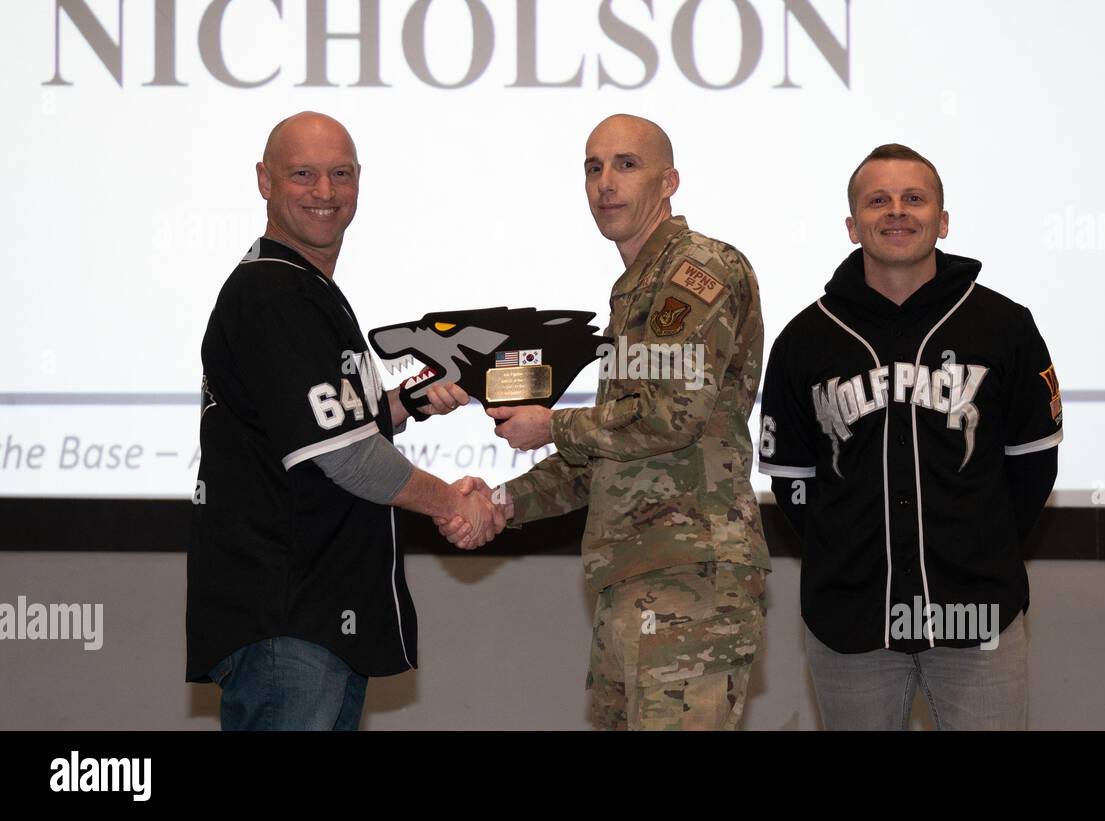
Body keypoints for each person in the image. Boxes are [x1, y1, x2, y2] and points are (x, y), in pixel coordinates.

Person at [442, 114, 769, 730]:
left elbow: (671, 417)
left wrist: (552, 426)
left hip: (690, 577)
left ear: (669, 180)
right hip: (633, 578)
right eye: (593, 168)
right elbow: (606, 455)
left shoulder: (694, 271)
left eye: (626, 164)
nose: (605, 183)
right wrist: (502, 500)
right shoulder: (633, 289)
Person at [187, 111, 504, 731]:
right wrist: (448, 501)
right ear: (264, 181)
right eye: (303, 174)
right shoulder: (276, 293)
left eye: (340, 174)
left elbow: (311, 423)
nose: (325, 193)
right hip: (291, 620)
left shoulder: (301, 287)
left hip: (312, 620)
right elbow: (346, 454)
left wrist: (405, 401)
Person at [757, 144, 1062, 730]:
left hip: (978, 618)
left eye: (914, 199)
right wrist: (848, 548)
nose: (897, 212)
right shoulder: (805, 338)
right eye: (878, 201)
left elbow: (1031, 470)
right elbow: (795, 488)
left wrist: (974, 546)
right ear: (852, 225)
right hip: (850, 623)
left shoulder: (1005, 326)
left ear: (942, 220)